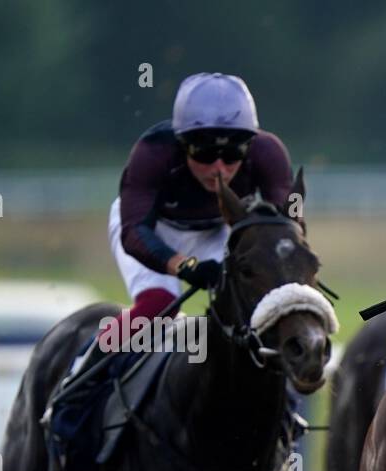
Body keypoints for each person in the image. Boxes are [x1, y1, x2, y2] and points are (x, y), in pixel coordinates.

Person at [100, 72, 293, 356]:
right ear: (181, 143)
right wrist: (187, 266)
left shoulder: (268, 153)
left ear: (249, 146)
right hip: (152, 229)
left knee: (257, 300)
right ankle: (87, 361)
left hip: (214, 232)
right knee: (161, 304)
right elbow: (134, 232)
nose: (218, 168)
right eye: (204, 153)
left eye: (232, 155)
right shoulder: (153, 152)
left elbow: (287, 225)